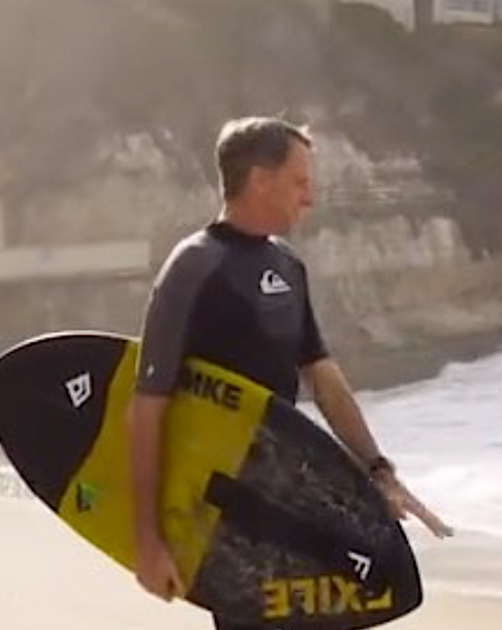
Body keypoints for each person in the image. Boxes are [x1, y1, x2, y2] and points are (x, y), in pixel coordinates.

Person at [125, 116, 453, 628]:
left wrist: (379, 472)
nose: (311, 198)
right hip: (227, 510)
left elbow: (323, 377)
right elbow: (147, 407)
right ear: (260, 179)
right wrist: (147, 542)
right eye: (300, 182)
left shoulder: (288, 265)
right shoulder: (194, 267)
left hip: (291, 492)